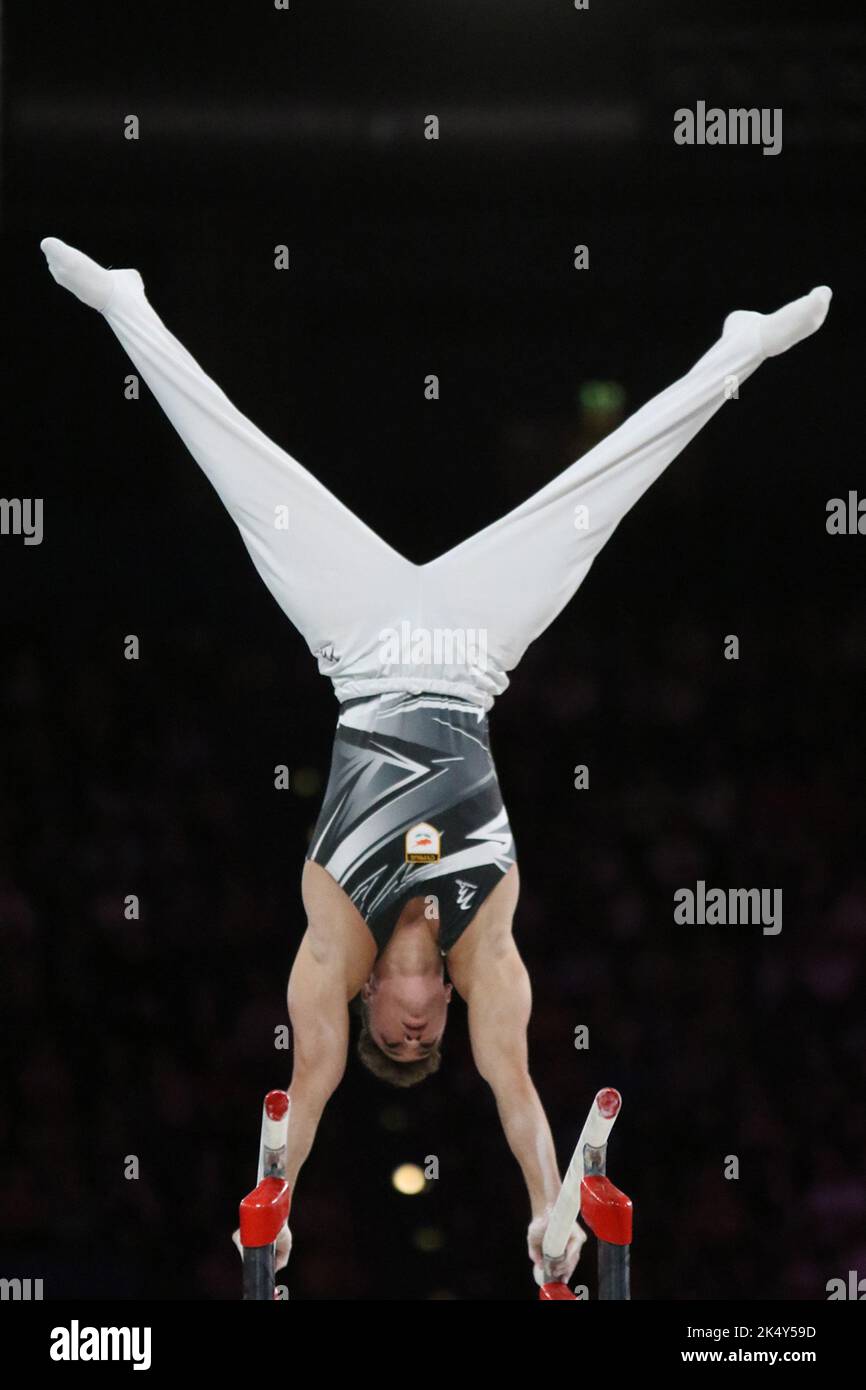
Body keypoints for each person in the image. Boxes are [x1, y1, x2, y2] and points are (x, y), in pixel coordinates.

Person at [41, 236, 831, 1284]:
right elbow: (516, 1096)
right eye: (428, 1039)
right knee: (594, 502)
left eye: (397, 1037)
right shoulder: (487, 944)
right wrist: (547, 1219)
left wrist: (272, 1203)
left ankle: (125, 307)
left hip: (359, 647)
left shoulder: (331, 934)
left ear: (370, 1004)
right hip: (470, 655)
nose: (418, 1025)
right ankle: (735, 356)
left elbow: (307, 1088)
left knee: (243, 474)